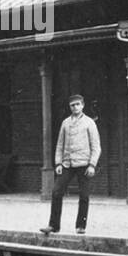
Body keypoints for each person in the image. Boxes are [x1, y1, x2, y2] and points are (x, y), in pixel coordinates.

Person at [41, 94, 101, 235]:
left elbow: (96, 146)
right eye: (72, 105)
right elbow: (59, 145)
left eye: (77, 104)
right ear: (70, 107)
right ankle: (54, 225)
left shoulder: (89, 123)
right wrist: (58, 163)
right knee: (56, 192)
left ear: (83, 105)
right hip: (67, 164)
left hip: (84, 164)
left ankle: (81, 225)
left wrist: (92, 164)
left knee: (84, 195)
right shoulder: (65, 123)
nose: (75, 107)